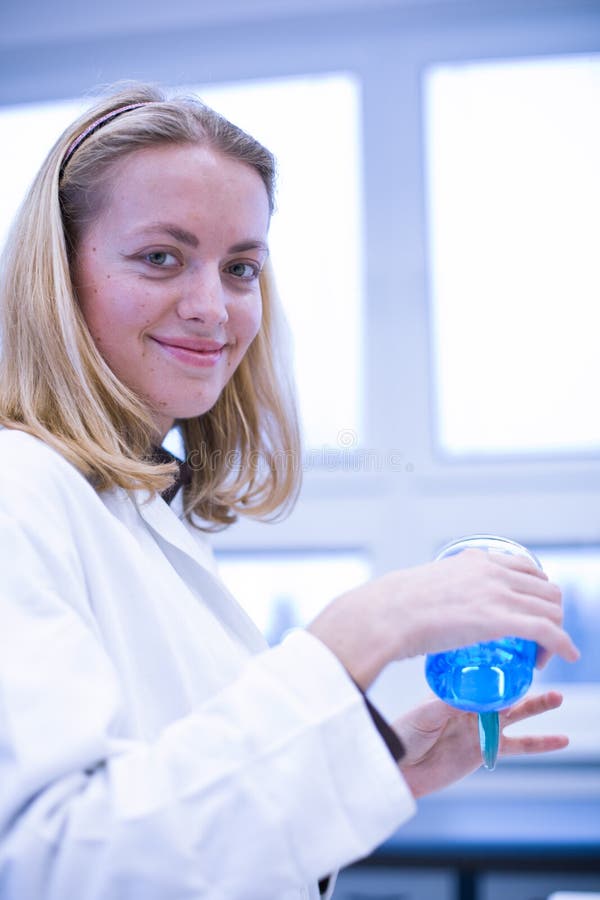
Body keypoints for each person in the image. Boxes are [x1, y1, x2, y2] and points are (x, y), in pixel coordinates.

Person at [0, 83, 579, 900]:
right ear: (57, 277)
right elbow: (50, 864)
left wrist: (368, 759)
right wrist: (359, 632)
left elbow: (176, 807)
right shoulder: (16, 494)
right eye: (162, 256)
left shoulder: (139, 510)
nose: (213, 308)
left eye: (240, 268)